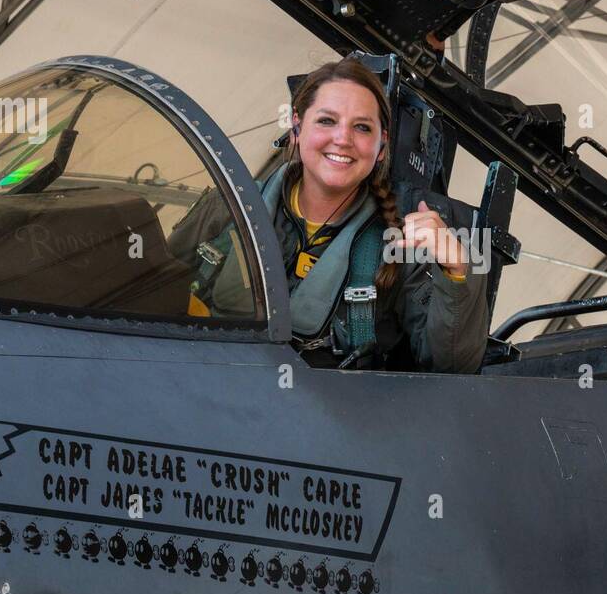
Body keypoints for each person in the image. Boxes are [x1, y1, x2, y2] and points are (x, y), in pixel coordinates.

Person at [188, 56, 489, 373]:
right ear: (296, 128)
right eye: (326, 121)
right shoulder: (230, 207)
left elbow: (452, 369)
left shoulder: (401, 244)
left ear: (381, 146)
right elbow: (157, 293)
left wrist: (457, 273)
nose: (343, 139)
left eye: (361, 127)